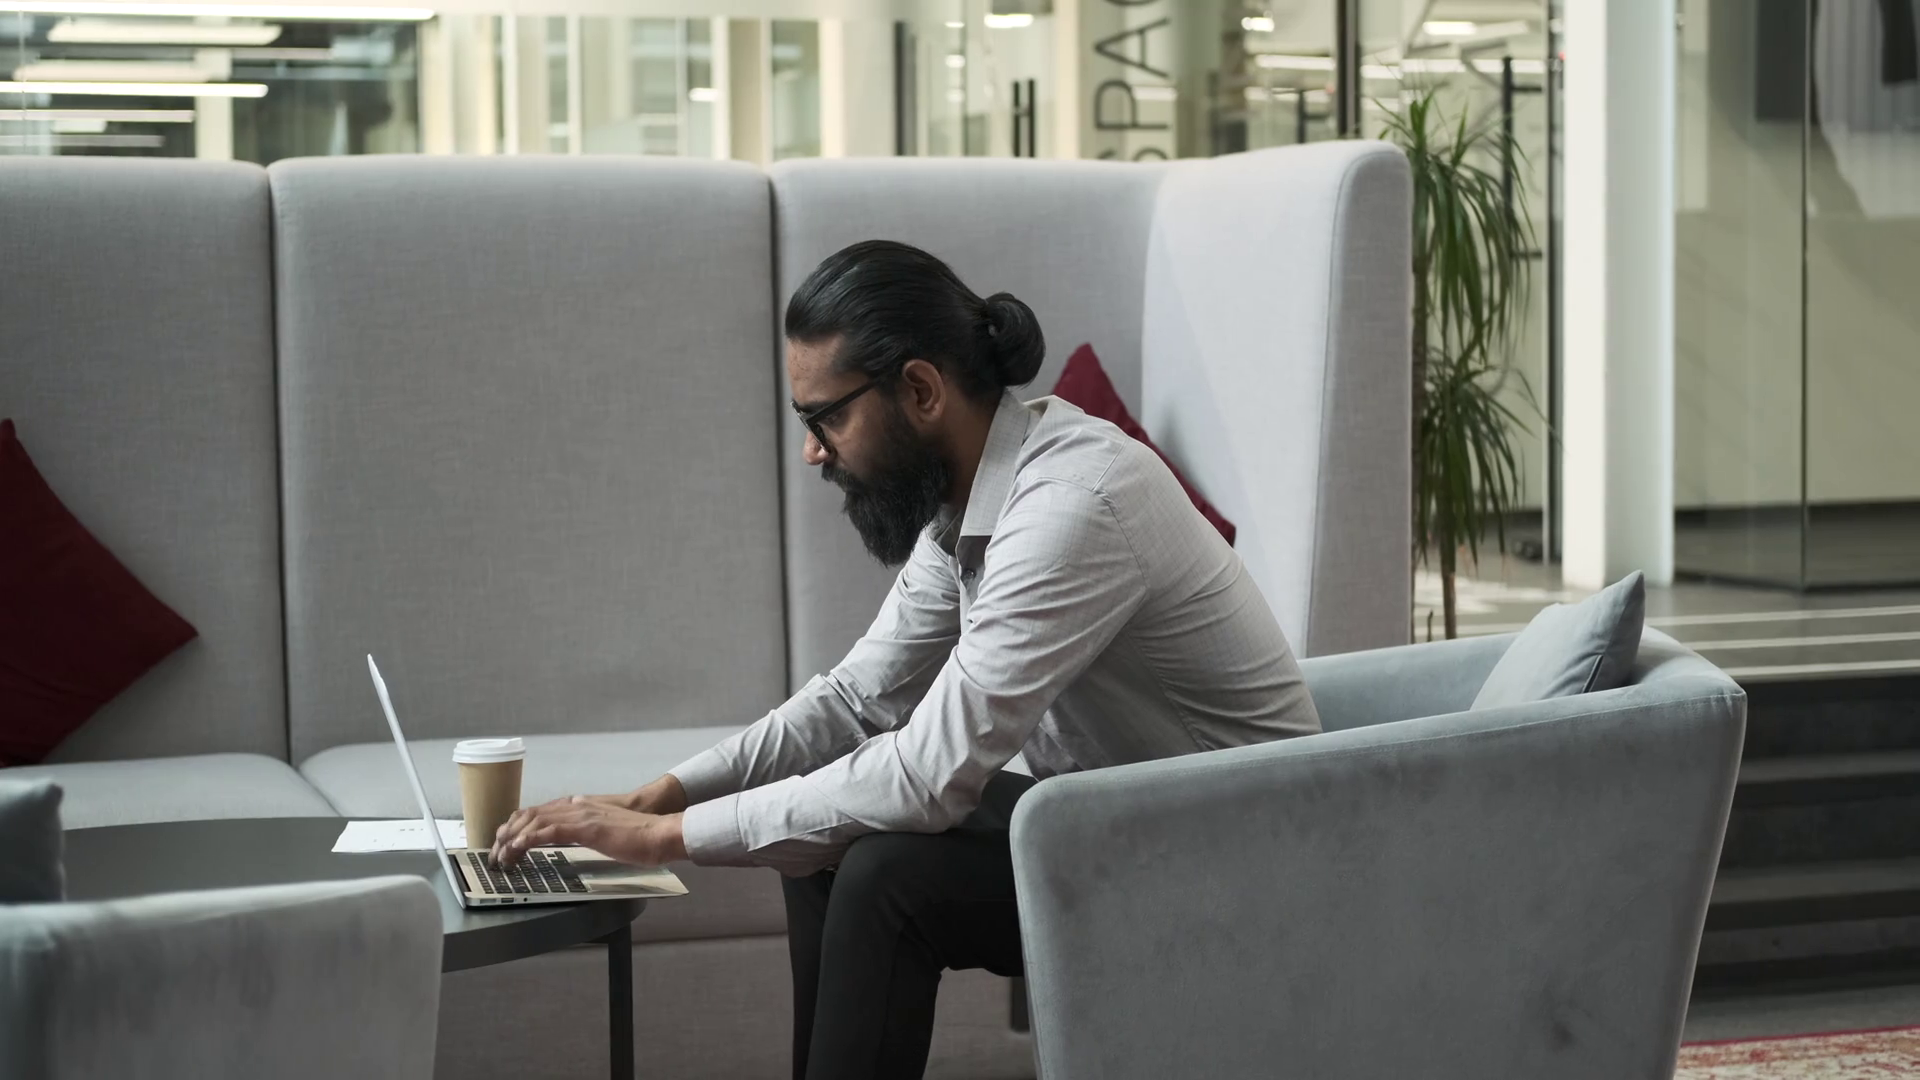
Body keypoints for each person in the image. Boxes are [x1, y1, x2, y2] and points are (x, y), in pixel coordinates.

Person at [491, 239, 1322, 1079]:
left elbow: (930, 776)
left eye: (826, 418)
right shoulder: (969, 499)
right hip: (1123, 817)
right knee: (817, 838)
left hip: (1240, 855)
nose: (814, 452)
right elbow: (855, 701)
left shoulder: (1074, 505)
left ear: (921, 390)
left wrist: (661, 838)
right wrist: (655, 794)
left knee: (884, 873)